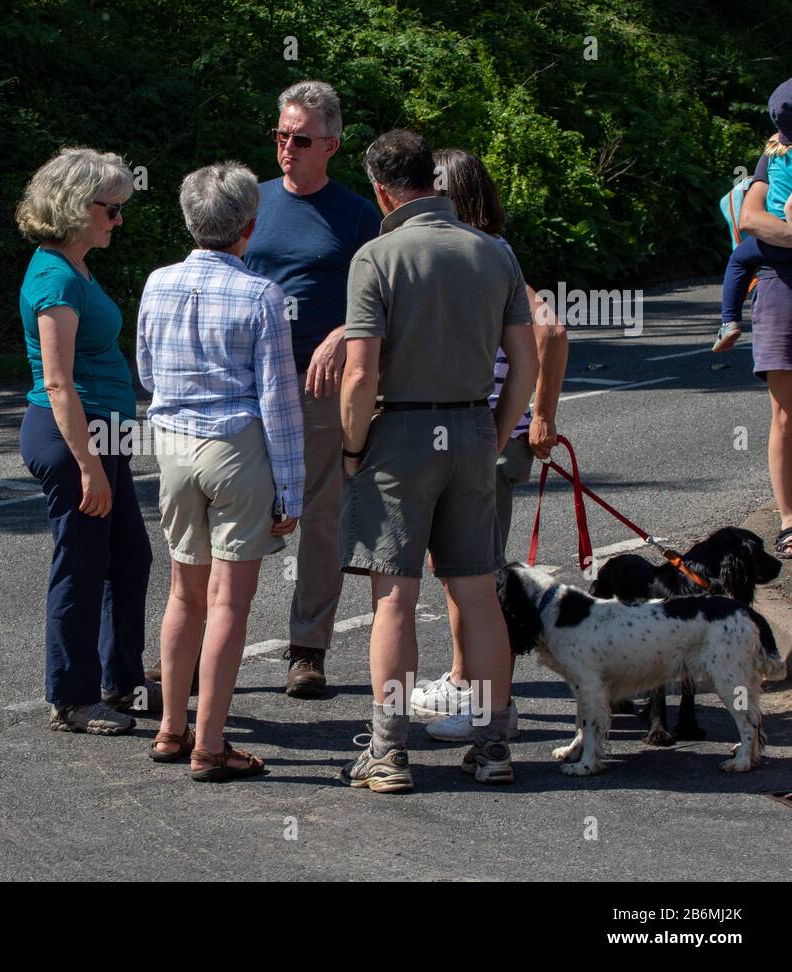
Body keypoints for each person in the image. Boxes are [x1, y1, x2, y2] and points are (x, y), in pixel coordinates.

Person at [337, 130, 537, 792]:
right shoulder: (492, 253)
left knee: (394, 597)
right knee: (477, 592)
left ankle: (389, 751)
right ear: (433, 179)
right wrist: (496, 433)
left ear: (381, 190)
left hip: (400, 433)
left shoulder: (376, 256)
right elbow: (527, 362)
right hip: (472, 429)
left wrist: (352, 448)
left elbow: (360, 374)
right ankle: (493, 744)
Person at [137, 162, 305, 780]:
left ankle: (169, 728)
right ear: (249, 226)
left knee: (184, 593)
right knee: (229, 602)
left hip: (175, 448)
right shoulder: (262, 294)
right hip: (237, 447)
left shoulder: (157, 282)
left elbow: (147, 372)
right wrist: (291, 491)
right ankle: (209, 744)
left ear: (189, 220)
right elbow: (278, 401)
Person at [406, 148, 570, 742]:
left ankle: (490, 708)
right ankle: (463, 681)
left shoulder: (485, 252)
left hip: (486, 433)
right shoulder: (481, 250)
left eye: (428, 188)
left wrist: (536, 418)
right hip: (479, 433)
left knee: (474, 573)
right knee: (459, 568)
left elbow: (551, 329)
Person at [240, 80, 382, 698]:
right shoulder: (250, 202)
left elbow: (382, 298)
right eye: (280, 135)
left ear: (331, 145)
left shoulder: (357, 215)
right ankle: (200, 646)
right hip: (251, 383)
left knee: (320, 521)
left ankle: (308, 649)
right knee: (238, 512)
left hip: (319, 384)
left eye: (300, 139)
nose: (286, 148)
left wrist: (343, 333)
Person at [16, 147, 156, 735]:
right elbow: (57, 382)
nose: (118, 220)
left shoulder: (74, 266)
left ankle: (121, 681)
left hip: (102, 431)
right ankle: (71, 698)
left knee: (128, 558)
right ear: (76, 207)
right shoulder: (55, 278)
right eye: (111, 208)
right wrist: (89, 466)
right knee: (81, 563)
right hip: (76, 437)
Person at [738, 78, 792, 559]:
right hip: (780, 288)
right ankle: (789, 519)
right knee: (784, 412)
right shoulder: (774, 154)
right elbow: (750, 219)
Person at [714, 151, 792, 353]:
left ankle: (729, 322)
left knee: (738, 260)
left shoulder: (775, 156)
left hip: (776, 235)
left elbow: (787, 207)